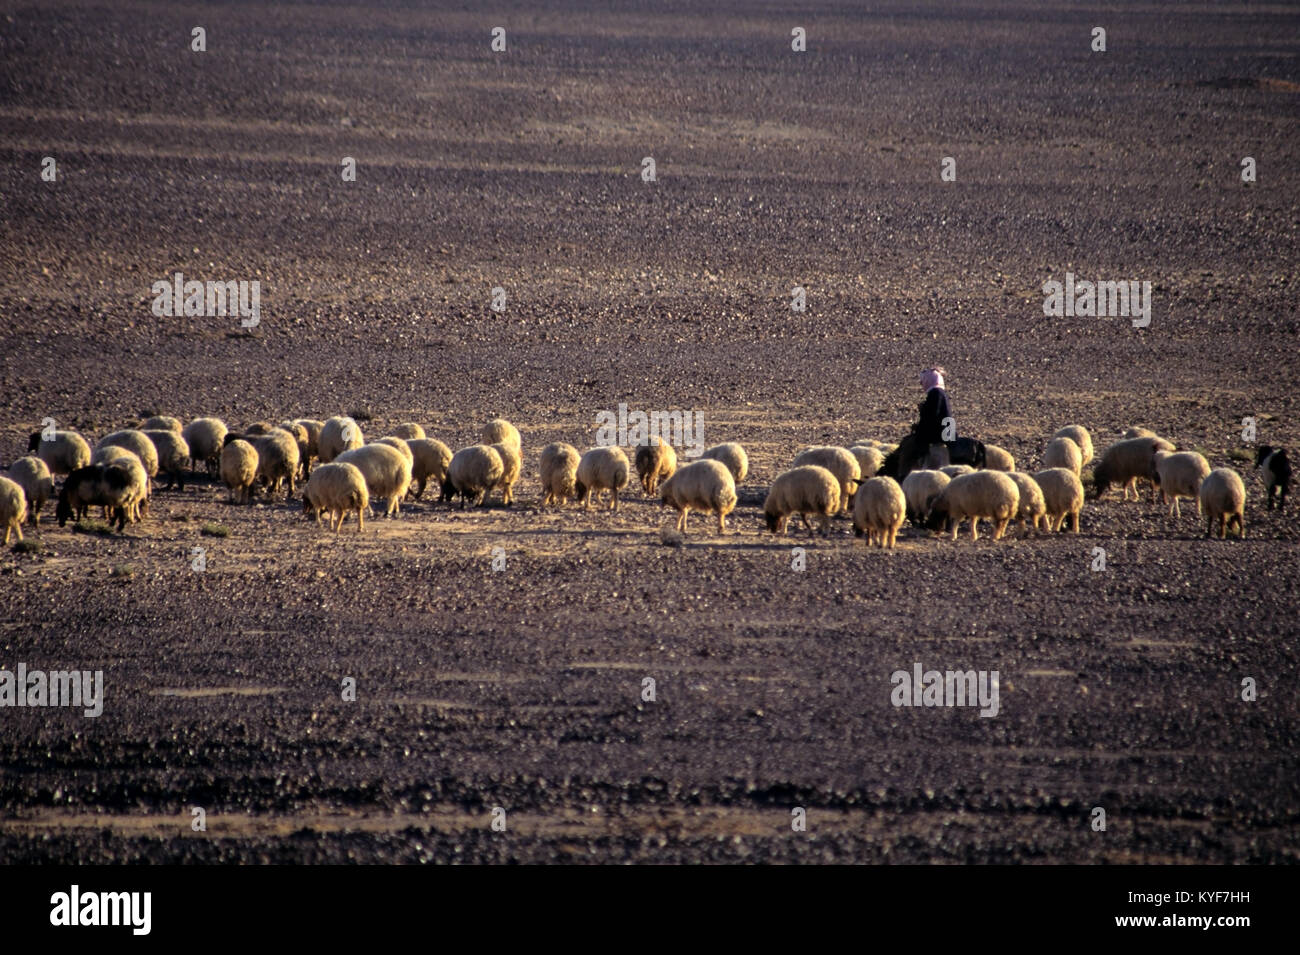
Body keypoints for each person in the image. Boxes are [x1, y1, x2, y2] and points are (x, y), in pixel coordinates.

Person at [912, 366, 952, 469]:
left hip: (938, 440)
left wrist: (920, 435)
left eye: (922, 381)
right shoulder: (940, 393)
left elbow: (931, 417)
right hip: (945, 437)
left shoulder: (936, 394)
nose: (921, 384)